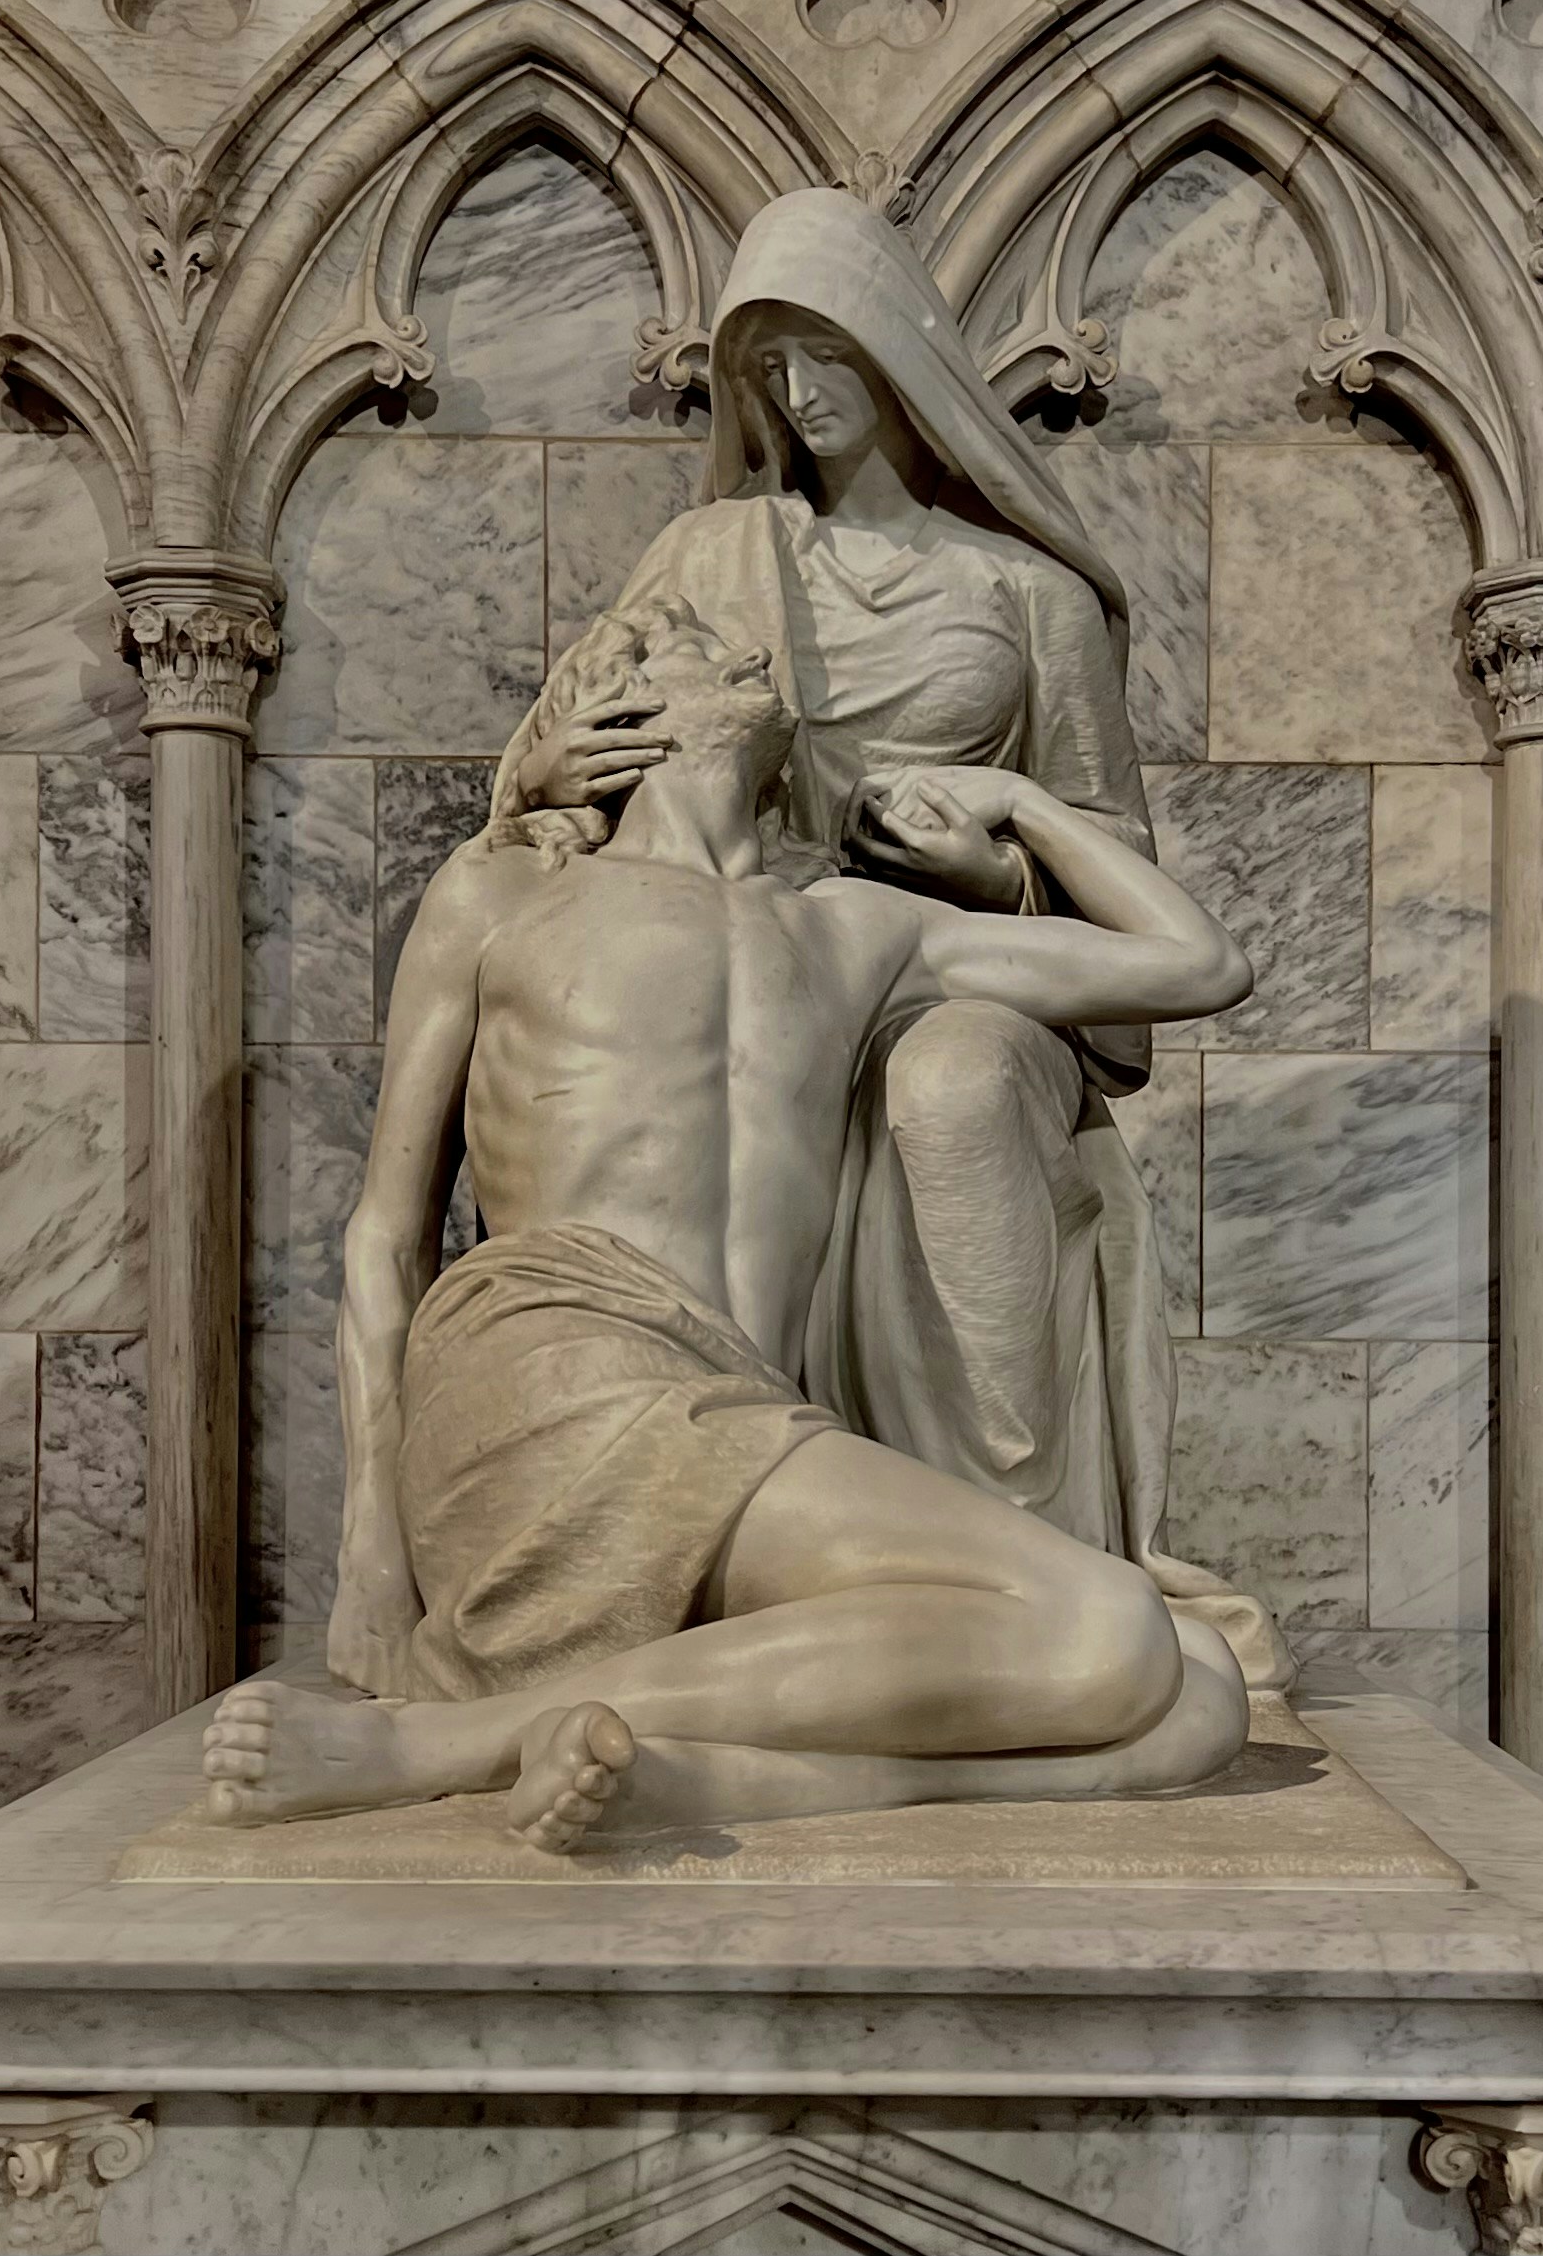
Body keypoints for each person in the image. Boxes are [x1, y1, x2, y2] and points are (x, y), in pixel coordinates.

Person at [202, 601, 1254, 1851]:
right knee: (1105, 1631)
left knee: (1199, 1692)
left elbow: (1197, 962)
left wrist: (1021, 802)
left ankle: (697, 1779)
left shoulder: (858, 927)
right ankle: (437, 1745)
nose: (751, 650)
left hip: (741, 1416)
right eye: (703, 645)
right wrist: (370, 1550)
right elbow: (387, 1235)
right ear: (621, 707)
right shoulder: (504, 891)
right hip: (550, 1367)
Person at [488, 188, 1279, 1681]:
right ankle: (706, 1534)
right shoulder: (708, 554)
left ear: (898, 353)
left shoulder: (1030, 596)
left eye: (825, 352)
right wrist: (542, 778)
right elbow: (566, 768)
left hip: (960, 966)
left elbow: (1118, 857)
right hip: (762, 944)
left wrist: (993, 861)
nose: (797, 392)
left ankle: (1017, 1562)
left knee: (950, 1084)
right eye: (766, 366)